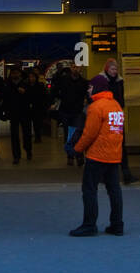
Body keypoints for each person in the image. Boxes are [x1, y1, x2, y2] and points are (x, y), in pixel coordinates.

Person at [69, 74, 125, 236]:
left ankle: (89, 224)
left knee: (89, 189)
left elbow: (89, 134)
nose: (88, 89)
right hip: (114, 155)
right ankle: (117, 224)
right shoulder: (116, 105)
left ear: (98, 87)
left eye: (91, 87)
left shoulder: (95, 107)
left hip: (97, 155)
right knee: (114, 190)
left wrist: (77, 150)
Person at [102, 58, 134, 184]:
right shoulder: (102, 81)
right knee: (108, 145)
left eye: (116, 69)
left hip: (117, 116)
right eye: (112, 69)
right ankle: (107, 174)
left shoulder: (120, 81)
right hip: (107, 116)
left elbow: (121, 98)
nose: (114, 71)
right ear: (107, 69)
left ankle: (125, 172)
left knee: (120, 145)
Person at [56, 64, 88, 167]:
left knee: (78, 134)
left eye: (78, 67)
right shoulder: (64, 80)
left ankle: (79, 155)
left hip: (78, 111)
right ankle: (70, 156)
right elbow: (56, 91)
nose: (76, 69)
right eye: (74, 67)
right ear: (70, 68)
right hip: (66, 111)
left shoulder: (83, 82)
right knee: (68, 134)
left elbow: (87, 95)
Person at [4, 67, 32, 164]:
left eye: (16, 73)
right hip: (13, 112)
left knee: (27, 133)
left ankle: (28, 150)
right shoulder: (8, 85)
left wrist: (25, 93)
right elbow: (6, 99)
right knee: (14, 135)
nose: (15, 75)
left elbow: (31, 97)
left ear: (20, 74)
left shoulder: (25, 84)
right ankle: (16, 155)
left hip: (24, 111)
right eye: (13, 73)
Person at [27, 68, 51, 142]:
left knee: (37, 123)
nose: (31, 78)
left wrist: (44, 107)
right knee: (28, 123)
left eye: (33, 77)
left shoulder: (40, 86)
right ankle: (29, 136)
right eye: (30, 77)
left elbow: (44, 97)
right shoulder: (26, 86)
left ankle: (38, 137)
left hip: (37, 107)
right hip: (28, 107)